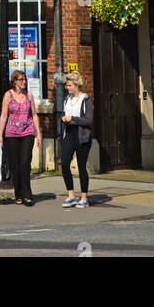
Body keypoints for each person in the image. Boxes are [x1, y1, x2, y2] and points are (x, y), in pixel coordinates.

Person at [0, 69, 42, 205]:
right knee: (15, 165)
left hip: (27, 132)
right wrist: (0, 136)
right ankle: (18, 194)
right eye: (21, 80)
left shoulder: (29, 95)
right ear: (15, 82)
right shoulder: (8, 95)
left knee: (25, 163)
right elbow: (4, 115)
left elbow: (34, 114)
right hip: (11, 134)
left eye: (25, 80)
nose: (24, 82)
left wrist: (38, 133)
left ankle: (27, 195)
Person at [61, 72, 94, 208]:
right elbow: (64, 114)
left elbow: (88, 120)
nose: (67, 88)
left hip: (82, 136)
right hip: (69, 133)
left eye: (69, 85)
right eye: (66, 85)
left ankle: (84, 198)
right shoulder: (67, 99)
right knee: (64, 163)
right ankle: (71, 196)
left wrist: (73, 119)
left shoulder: (85, 99)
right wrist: (64, 118)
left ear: (76, 85)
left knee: (81, 167)